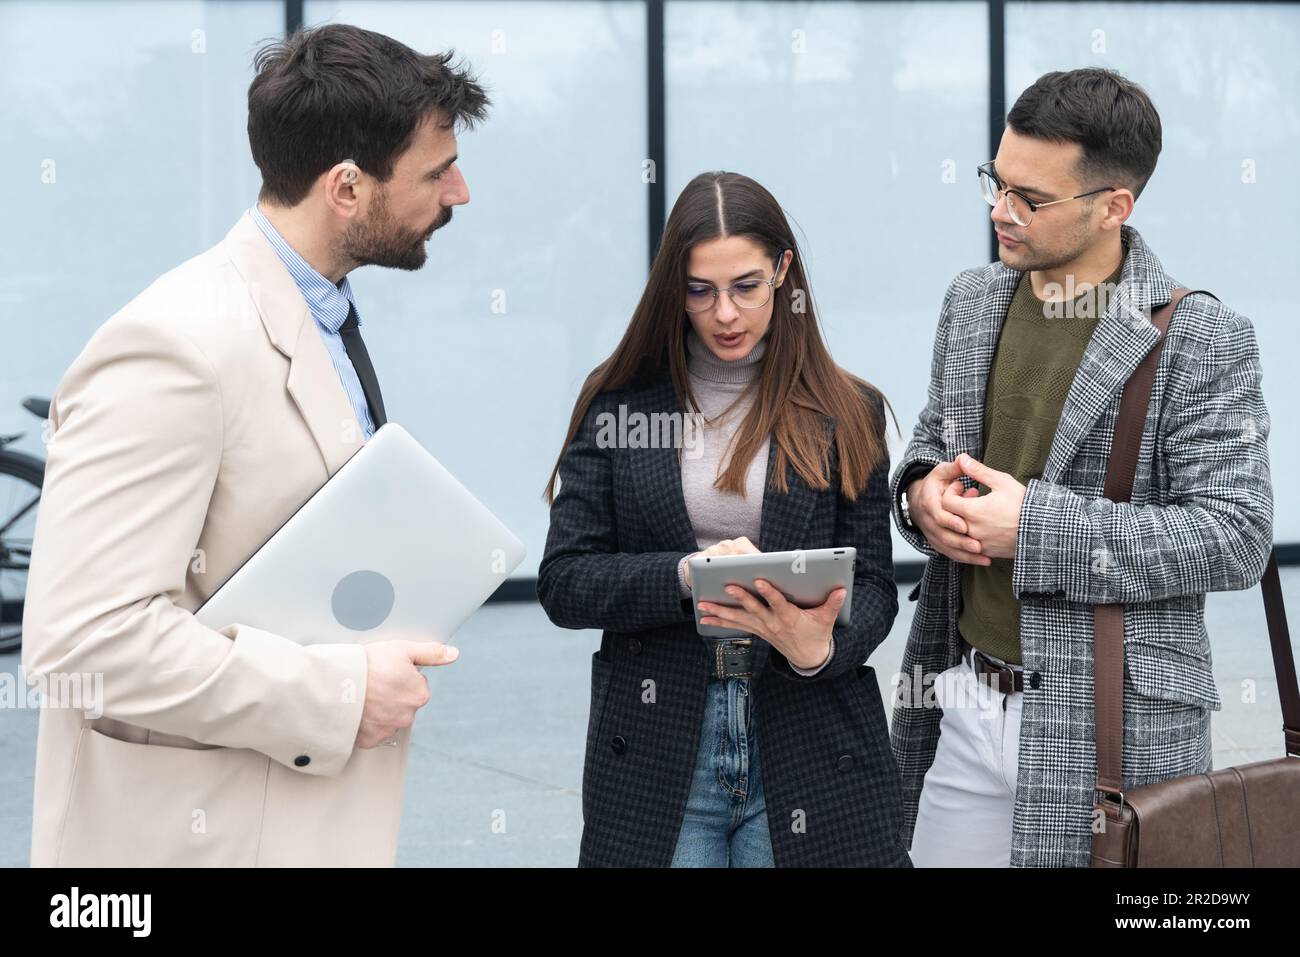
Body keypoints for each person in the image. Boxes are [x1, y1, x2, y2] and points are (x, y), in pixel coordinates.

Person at [21, 23, 488, 866]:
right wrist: (341, 694)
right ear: (347, 188)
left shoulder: (321, 309)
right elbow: (82, 642)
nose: (460, 191)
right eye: (435, 171)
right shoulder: (177, 343)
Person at [889, 68, 1274, 867]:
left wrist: (1031, 524)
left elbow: (1236, 536)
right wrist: (920, 491)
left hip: (1112, 728)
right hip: (961, 696)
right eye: (996, 181)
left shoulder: (1200, 334)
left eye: (1031, 197)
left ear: (1114, 206)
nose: (1000, 209)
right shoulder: (972, 300)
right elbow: (933, 437)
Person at [538, 171, 909, 867]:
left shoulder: (847, 410)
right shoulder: (620, 405)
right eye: (700, 290)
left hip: (807, 730)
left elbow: (878, 588)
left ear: (783, 271)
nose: (725, 314)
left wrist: (820, 646)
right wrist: (686, 576)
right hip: (664, 739)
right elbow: (565, 580)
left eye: (746, 286)